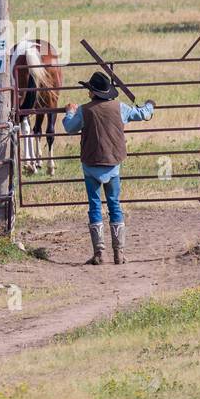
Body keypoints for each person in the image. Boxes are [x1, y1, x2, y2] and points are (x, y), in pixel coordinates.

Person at [61, 71, 154, 265]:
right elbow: (142, 114)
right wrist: (149, 105)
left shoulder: (84, 110)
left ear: (91, 92)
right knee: (115, 205)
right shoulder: (119, 107)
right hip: (113, 163)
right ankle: (119, 253)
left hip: (91, 164)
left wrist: (69, 111)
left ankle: (99, 254)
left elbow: (70, 127)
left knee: (94, 206)